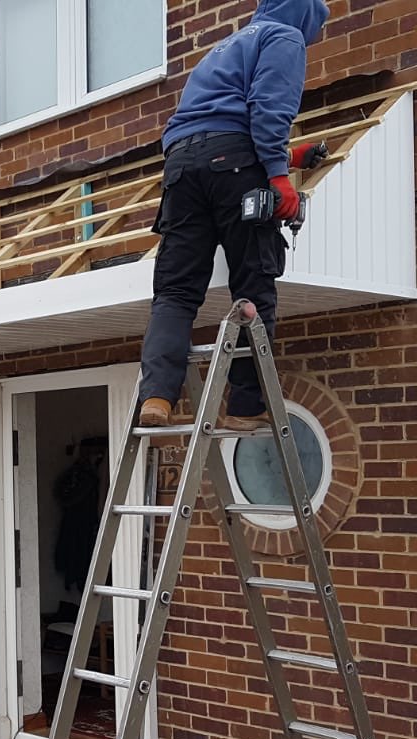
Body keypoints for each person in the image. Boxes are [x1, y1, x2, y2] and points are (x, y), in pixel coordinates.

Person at [137, 0, 330, 430]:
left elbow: (214, 131)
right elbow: (268, 109)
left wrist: (292, 157)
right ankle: (246, 407)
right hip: (234, 166)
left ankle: (157, 397)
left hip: (180, 168)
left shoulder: (223, 48)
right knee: (253, 285)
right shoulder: (284, 36)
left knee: (175, 291)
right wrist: (279, 177)